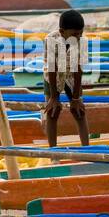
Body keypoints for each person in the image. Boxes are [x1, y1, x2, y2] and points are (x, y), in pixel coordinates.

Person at [42, 9, 91, 147]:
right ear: (62, 32)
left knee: (79, 112)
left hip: (71, 76)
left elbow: (78, 70)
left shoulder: (82, 41)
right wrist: (54, 97)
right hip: (53, 76)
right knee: (52, 111)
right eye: (74, 34)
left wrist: (75, 99)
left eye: (80, 33)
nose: (78, 37)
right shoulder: (51, 40)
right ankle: (54, 154)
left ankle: (87, 149)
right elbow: (52, 68)